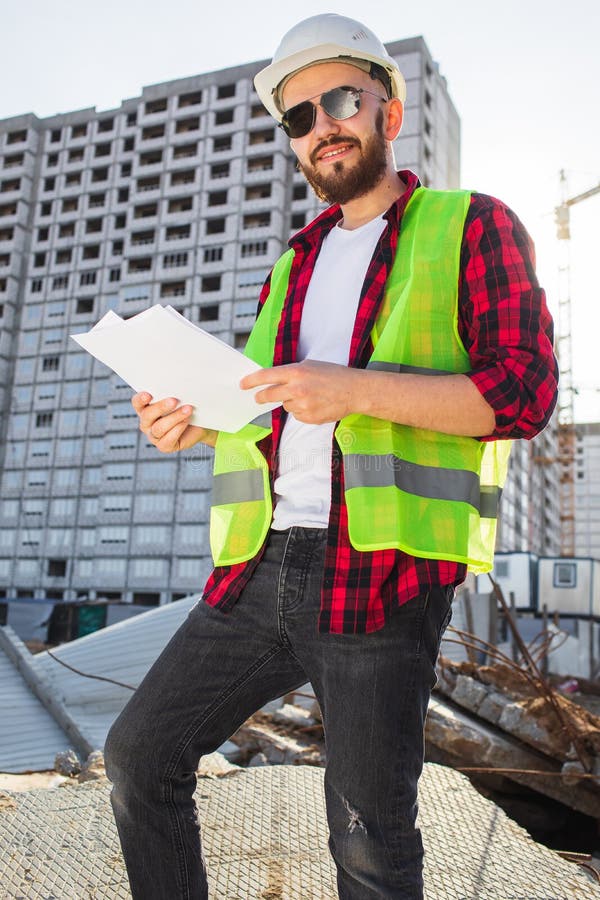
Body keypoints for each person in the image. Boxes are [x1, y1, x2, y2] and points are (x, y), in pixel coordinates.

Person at [105, 13, 558, 899]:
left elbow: (524, 393)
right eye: (300, 118)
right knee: (139, 757)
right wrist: (193, 425)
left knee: (368, 841)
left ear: (387, 109)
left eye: (341, 99)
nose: (323, 127)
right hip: (258, 568)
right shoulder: (293, 263)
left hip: (382, 579)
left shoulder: (472, 225)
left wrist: (348, 386)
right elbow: (270, 411)